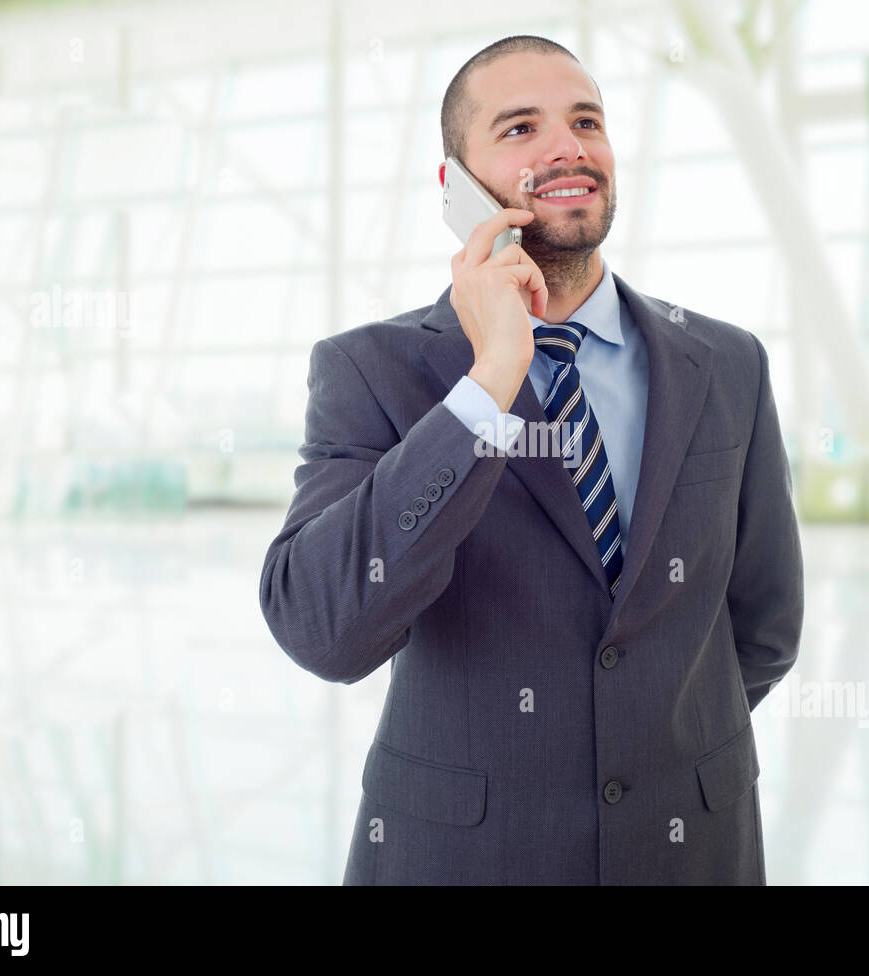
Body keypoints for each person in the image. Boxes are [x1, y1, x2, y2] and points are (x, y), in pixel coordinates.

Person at [258, 34, 804, 884]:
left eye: (587, 120)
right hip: (464, 858)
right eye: (520, 128)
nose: (567, 146)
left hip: (692, 851)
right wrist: (489, 383)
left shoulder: (728, 363)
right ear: (457, 189)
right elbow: (324, 628)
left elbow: (764, 629)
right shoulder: (372, 369)